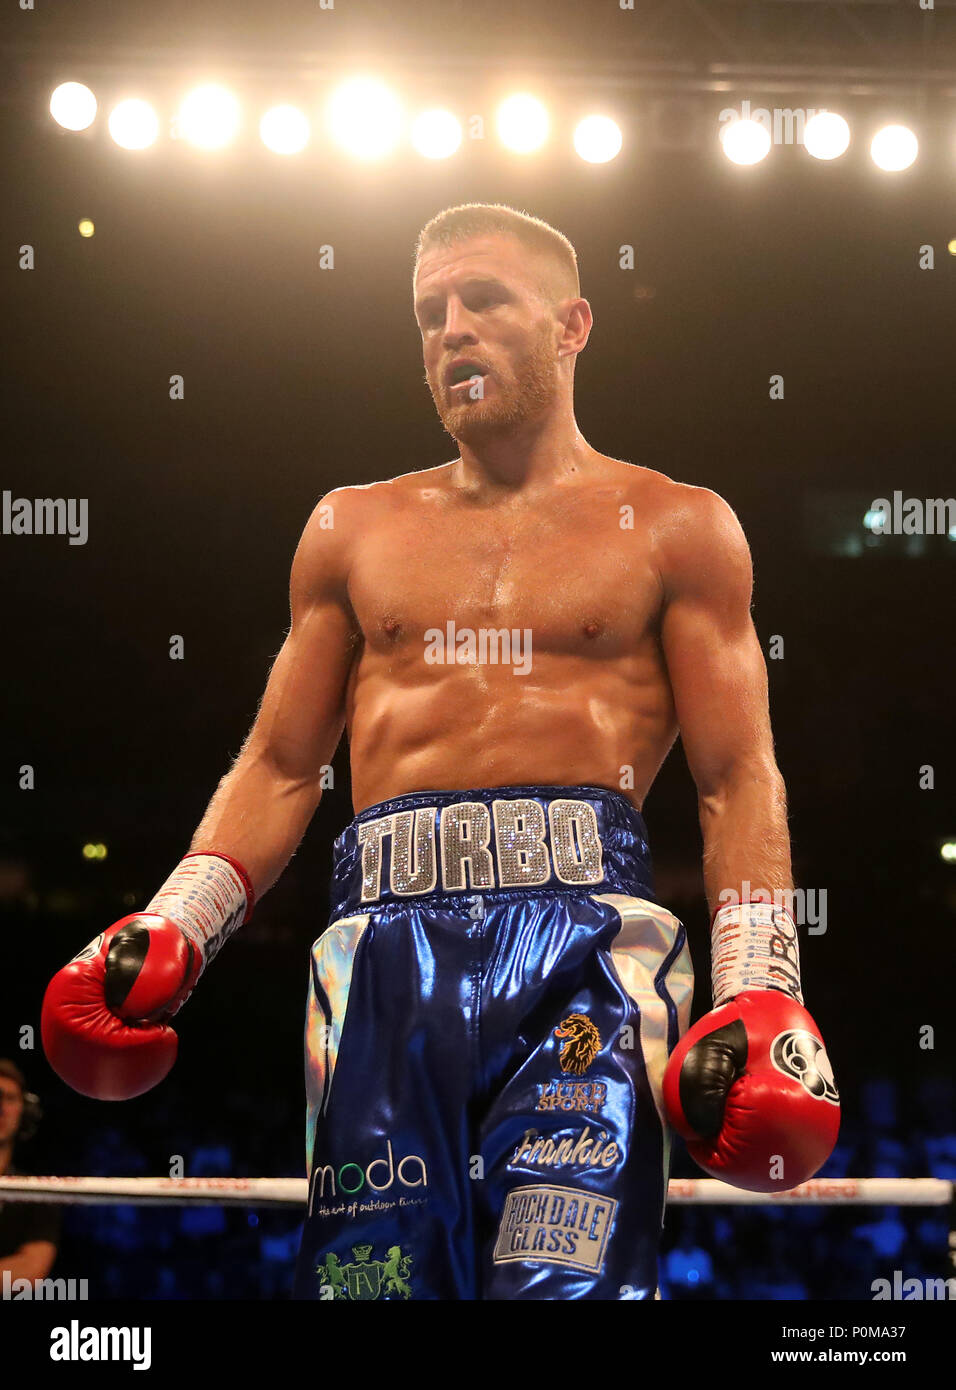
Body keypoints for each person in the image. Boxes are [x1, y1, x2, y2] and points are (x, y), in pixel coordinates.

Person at [42, 203, 839, 1300]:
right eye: (428, 313)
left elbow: (734, 775)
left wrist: (761, 983)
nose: (449, 330)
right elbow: (280, 764)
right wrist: (175, 921)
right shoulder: (349, 528)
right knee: (371, 1290)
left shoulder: (676, 525)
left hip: (585, 954)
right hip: (381, 961)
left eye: (483, 301)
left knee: (568, 1292)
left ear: (571, 325)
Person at [0, 1059, 59, 1285]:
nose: (2, 1108)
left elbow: (31, 1269)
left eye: (10, 1099)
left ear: (25, 1111)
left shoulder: (39, 1192)